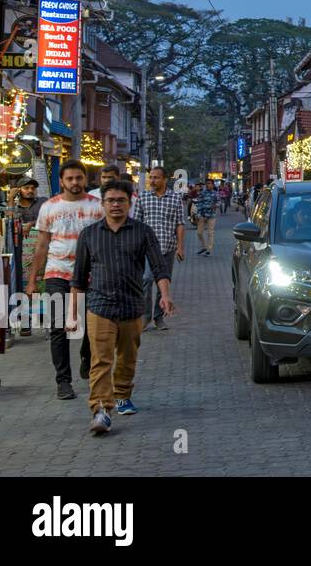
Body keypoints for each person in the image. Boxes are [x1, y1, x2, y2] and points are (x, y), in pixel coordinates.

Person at [68, 180, 173, 435]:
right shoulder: (89, 234)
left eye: (121, 200)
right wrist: (72, 314)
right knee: (100, 360)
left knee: (127, 357)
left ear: (130, 202)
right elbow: (78, 278)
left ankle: (123, 394)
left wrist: (165, 295)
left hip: (132, 305)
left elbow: (159, 266)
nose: (116, 205)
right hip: (99, 306)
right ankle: (101, 410)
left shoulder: (143, 232)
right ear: (103, 204)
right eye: (111, 200)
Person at [25, 161, 104, 399]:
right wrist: (32, 279)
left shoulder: (98, 206)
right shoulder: (49, 207)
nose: (75, 182)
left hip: (91, 275)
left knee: (91, 324)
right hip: (57, 273)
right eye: (70, 178)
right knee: (58, 327)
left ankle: (86, 356)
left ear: (85, 179)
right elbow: (42, 245)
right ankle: (63, 381)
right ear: (61, 181)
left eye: (79, 178)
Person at [131, 166, 186, 330]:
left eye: (156, 177)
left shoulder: (175, 198)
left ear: (165, 179)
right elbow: (137, 222)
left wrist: (180, 247)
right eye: (151, 177)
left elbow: (180, 223)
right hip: (147, 249)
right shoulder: (143, 197)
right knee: (146, 280)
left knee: (164, 283)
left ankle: (158, 317)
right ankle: (145, 316)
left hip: (168, 247)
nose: (152, 181)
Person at [7, 177, 46, 338]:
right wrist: (10, 198)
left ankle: (48, 320)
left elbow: (50, 219)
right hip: (22, 252)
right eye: (26, 188)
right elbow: (9, 221)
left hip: (42, 251)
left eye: (32, 188)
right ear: (19, 190)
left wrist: (32, 223)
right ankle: (25, 322)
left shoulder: (43, 202)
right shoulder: (15, 206)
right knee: (22, 285)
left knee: (41, 284)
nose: (30, 191)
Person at [192, 179, 219, 257]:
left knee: (210, 233)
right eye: (207, 183)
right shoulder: (202, 193)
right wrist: (198, 214)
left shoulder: (216, 193)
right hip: (202, 215)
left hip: (211, 216)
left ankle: (209, 250)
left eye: (209, 183)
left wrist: (215, 205)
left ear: (213, 185)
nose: (208, 185)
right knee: (199, 233)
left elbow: (219, 202)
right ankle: (204, 247)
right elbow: (199, 203)